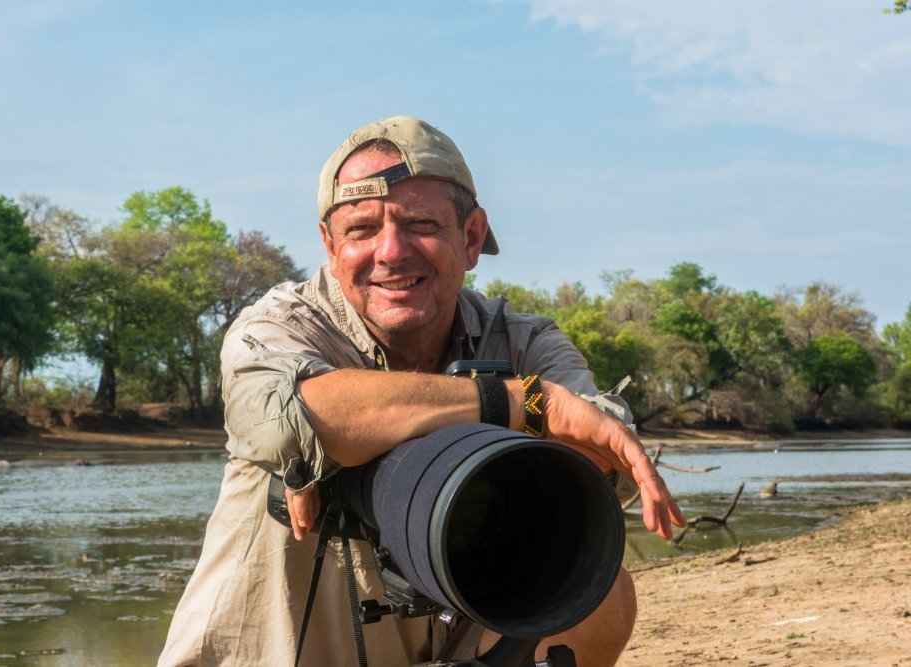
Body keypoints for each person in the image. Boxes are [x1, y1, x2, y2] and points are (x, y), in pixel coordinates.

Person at [157, 115, 685, 667]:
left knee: (595, 590)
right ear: (330, 246)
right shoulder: (279, 326)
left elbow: (605, 453)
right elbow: (283, 422)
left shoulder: (524, 341)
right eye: (361, 229)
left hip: (455, 642)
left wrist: (349, 448)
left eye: (421, 223)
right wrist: (525, 405)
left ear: (472, 237)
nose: (391, 251)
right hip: (280, 650)